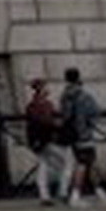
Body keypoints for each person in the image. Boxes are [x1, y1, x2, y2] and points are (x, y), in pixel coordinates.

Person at [23, 76, 71, 204]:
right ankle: (63, 192)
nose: (48, 89)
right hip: (47, 139)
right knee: (67, 164)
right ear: (41, 89)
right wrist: (58, 123)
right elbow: (45, 121)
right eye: (45, 87)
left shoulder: (33, 105)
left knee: (43, 167)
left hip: (37, 141)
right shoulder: (42, 105)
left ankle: (45, 196)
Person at [61, 68, 105, 204]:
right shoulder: (84, 95)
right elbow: (95, 112)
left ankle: (99, 192)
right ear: (78, 77)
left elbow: (64, 115)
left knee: (89, 164)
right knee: (83, 165)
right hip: (84, 134)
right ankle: (75, 195)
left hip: (71, 134)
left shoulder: (64, 95)